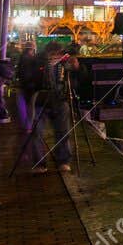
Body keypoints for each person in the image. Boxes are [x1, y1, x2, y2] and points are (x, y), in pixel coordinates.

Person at [31, 39, 77, 174]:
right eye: (54, 54)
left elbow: (79, 78)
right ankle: (39, 163)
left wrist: (77, 68)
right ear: (47, 53)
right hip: (41, 101)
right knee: (37, 133)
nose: (56, 57)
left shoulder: (65, 63)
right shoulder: (37, 62)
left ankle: (64, 161)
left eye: (59, 54)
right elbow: (29, 79)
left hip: (60, 100)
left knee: (63, 132)